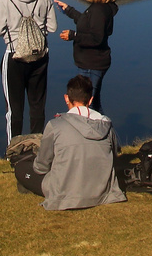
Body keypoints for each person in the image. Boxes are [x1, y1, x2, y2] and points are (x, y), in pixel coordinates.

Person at [29, 74, 126, 211]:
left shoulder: (55, 125)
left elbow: (41, 167)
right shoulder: (106, 124)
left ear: (66, 98)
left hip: (65, 194)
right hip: (102, 192)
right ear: (91, 100)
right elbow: (114, 157)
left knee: (23, 169)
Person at [0, 0, 56, 141]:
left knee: (14, 108)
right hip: (40, 56)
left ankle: (13, 150)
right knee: (37, 106)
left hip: (14, 55)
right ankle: (37, 147)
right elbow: (52, 26)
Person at [55, 0, 119, 113]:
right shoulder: (102, 7)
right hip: (94, 62)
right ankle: (103, 132)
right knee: (94, 102)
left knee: (85, 105)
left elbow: (96, 38)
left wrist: (73, 36)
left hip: (91, 65)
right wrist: (70, 11)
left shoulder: (98, 10)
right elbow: (88, 24)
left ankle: (96, 133)